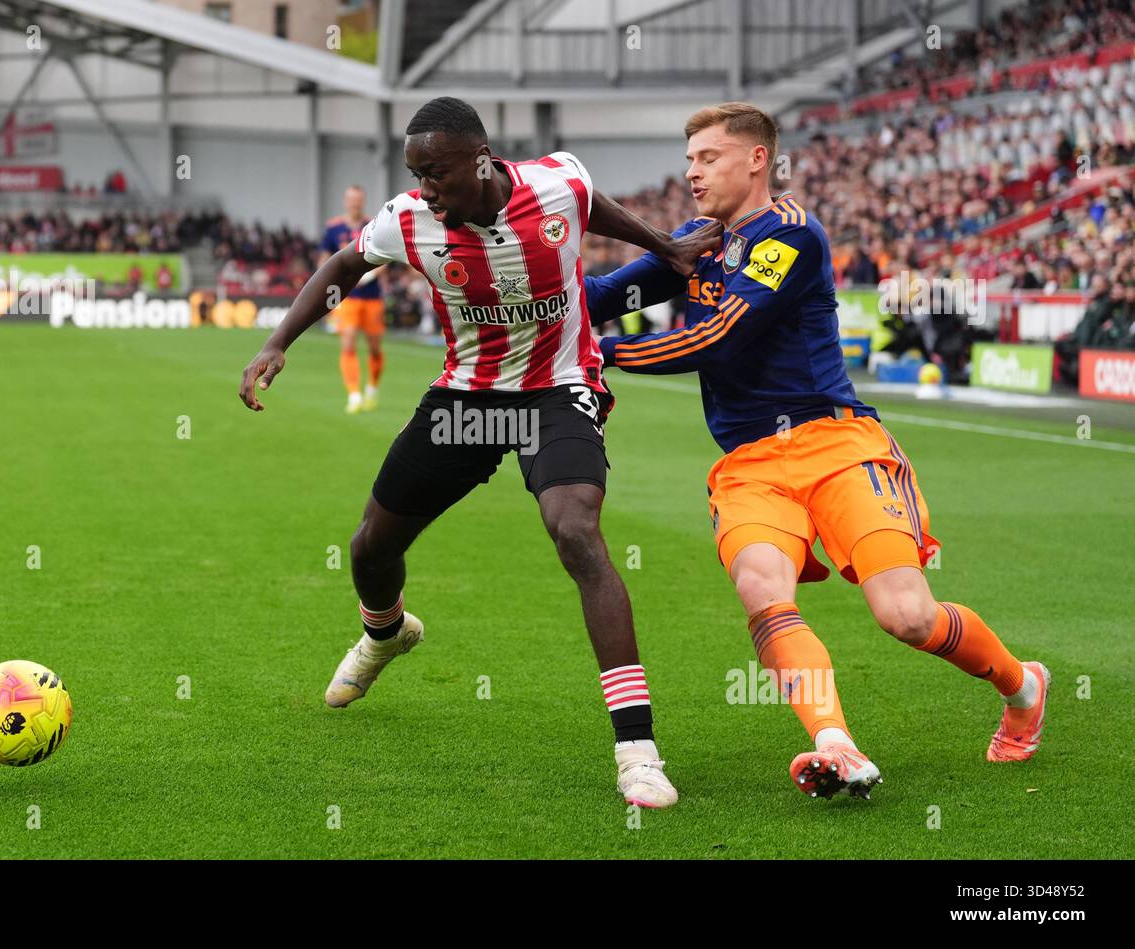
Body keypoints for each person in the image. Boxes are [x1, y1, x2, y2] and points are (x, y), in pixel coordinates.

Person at [240, 96, 719, 807]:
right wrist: (278, 341)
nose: (426, 189)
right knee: (370, 547)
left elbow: (598, 209)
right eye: (416, 175)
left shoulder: (559, 182)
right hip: (467, 402)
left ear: (482, 160)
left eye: (436, 173)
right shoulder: (408, 221)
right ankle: (385, 634)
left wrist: (665, 247)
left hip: (559, 390)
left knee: (576, 532)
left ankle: (637, 748)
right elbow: (344, 264)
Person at [585, 102, 1050, 801]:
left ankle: (1023, 685)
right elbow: (602, 295)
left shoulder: (791, 236)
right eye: (688, 161)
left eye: (707, 158)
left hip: (836, 442)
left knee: (907, 616)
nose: (691, 172)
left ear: (755, 159)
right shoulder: (693, 240)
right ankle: (833, 740)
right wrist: (525, 288)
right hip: (748, 462)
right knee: (760, 588)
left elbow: (718, 337)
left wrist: (604, 354)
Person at [319, 185, 387, 413]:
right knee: (347, 342)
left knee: (375, 348)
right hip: (347, 297)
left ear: (363, 201)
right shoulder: (333, 228)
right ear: (346, 201)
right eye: (351, 200)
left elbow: (385, 258)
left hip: (372, 296)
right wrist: (326, 290)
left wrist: (369, 275)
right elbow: (324, 261)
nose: (355, 204)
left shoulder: (374, 225)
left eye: (358, 200)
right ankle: (354, 394)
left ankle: (372, 389)